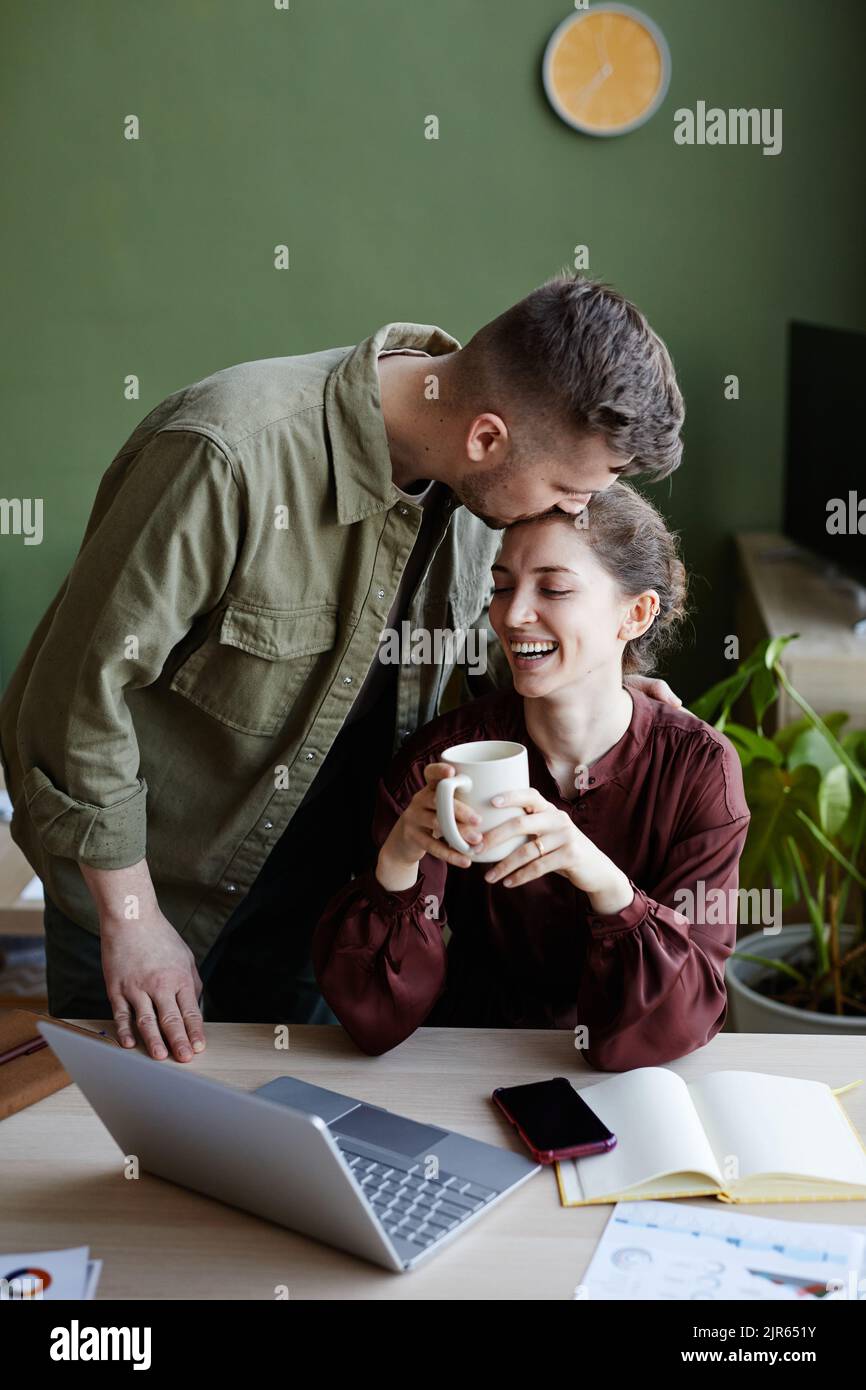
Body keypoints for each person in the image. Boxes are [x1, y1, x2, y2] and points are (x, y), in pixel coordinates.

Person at [0, 273, 685, 1062]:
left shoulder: (483, 497)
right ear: (488, 437)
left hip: (321, 914)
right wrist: (131, 918)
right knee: (119, 1161)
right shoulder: (226, 455)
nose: (571, 513)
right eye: (570, 489)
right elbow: (70, 702)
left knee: (277, 1159)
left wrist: (595, 679)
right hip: (147, 898)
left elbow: (462, 675)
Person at [313, 484, 751, 1070]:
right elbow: (376, 1021)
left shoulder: (699, 770)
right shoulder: (441, 760)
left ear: (636, 613)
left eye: (554, 588)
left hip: (629, 1089)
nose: (512, 615)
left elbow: (676, 1022)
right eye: (500, 586)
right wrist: (396, 863)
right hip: (469, 1062)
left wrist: (603, 880)